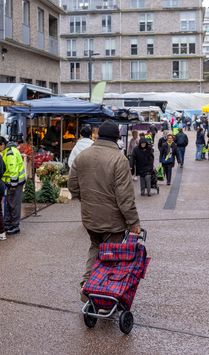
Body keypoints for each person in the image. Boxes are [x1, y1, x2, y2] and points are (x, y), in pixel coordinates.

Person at [67, 120, 141, 297]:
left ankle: (87, 283)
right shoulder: (119, 159)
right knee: (110, 255)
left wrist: (86, 200)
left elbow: (72, 186)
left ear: (98, 135)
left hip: (89, 216)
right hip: (112, 220)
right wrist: (133, 222)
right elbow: (125, 196)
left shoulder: (82, 155)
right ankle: (103, 295)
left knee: (95, 247)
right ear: (117, 138)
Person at [0, 136, 26, 235]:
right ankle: (9, 224)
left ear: (3, 144)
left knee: (13, 205)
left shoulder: (9, 153)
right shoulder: (9, 151)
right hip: (13, 182)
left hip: (15, 183)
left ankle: (15, 226)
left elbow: (13, 170)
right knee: (10, 204)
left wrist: (13, 185)